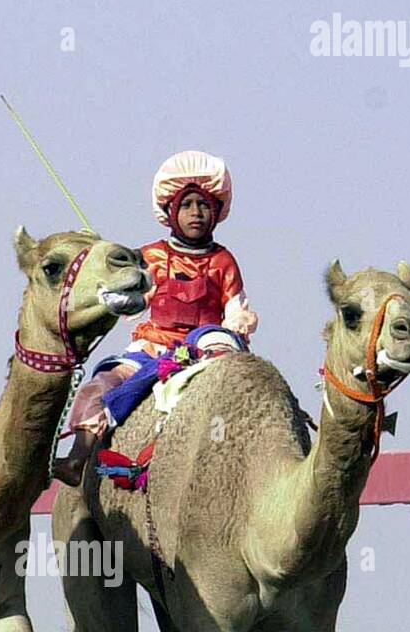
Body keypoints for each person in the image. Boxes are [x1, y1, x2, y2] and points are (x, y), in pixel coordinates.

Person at [53, 150, 258, 486]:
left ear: (217, 212)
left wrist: (236, 325)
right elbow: (134, 299)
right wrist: (116, 296)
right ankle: (78, 458)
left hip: (203, 349)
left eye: (204, 205)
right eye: (188, 205)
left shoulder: (223, 262)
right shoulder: (152, 256)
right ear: (171, 211)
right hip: (151, 350)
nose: (196, 213)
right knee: (98, 387)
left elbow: (236, 308)